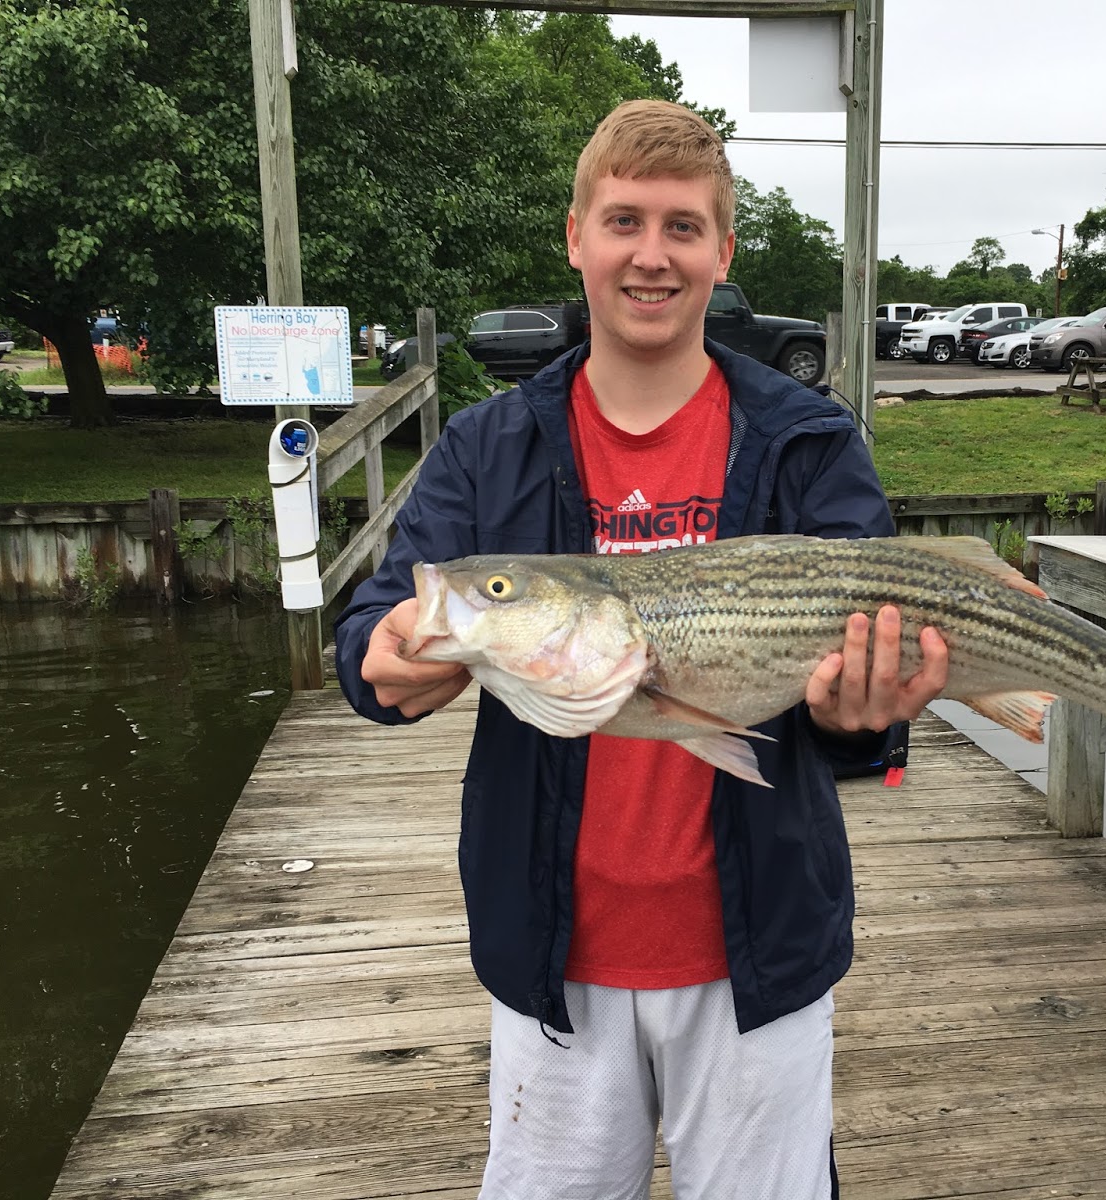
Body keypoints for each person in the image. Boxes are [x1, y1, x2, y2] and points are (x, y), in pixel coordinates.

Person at [333, 99, 948, 1199]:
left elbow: (865, 705)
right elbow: (377, 627)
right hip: (549, 953)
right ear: (575, 239)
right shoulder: (488, 447)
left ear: (720, 251)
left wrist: (870, 720)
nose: (649, 256)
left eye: (679, 227)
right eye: (622, 222)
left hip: (761, 949)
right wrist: (381, 660)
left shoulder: (808, 441)